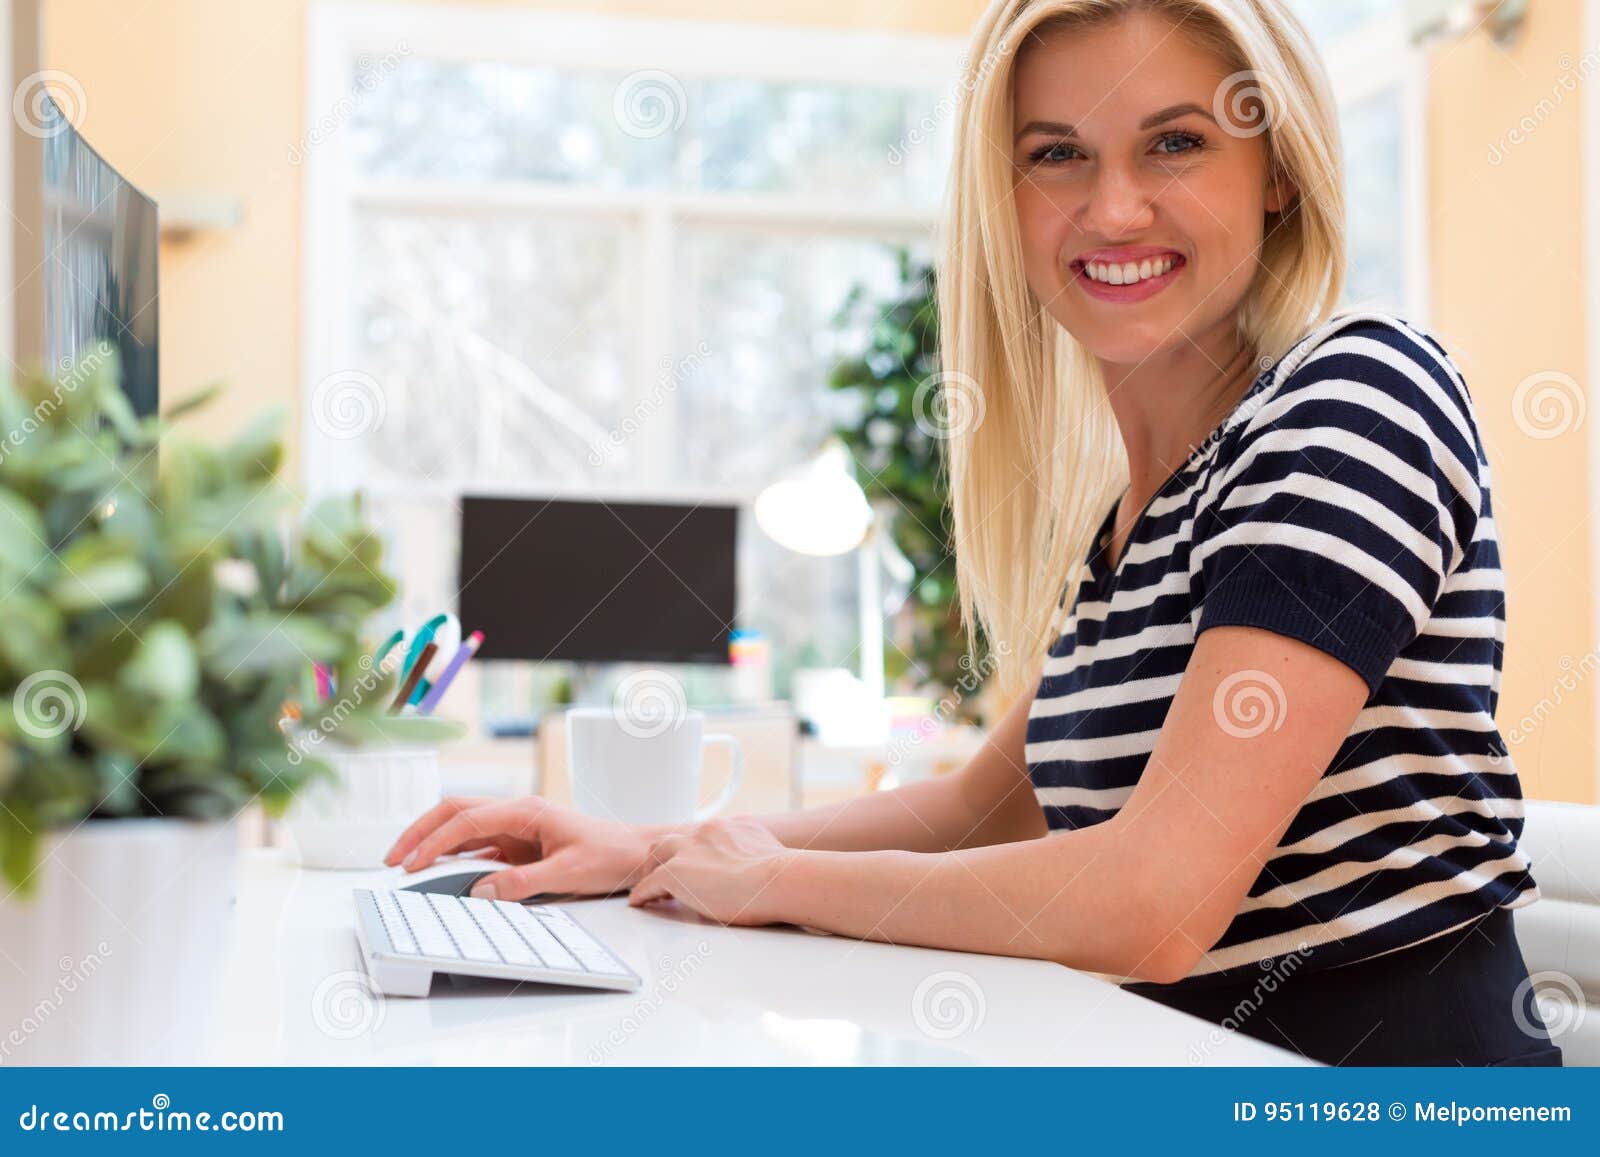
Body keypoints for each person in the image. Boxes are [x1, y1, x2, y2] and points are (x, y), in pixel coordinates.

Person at [387, 0, 1559, 1066]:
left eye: (1176, 141)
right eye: (1057, 155)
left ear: (1277, 172)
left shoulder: (1355, 392)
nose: (1112, 208)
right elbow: (975, 810)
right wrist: (646, 849)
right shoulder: (1131, 523)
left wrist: (774, 881)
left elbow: (1156, 898)